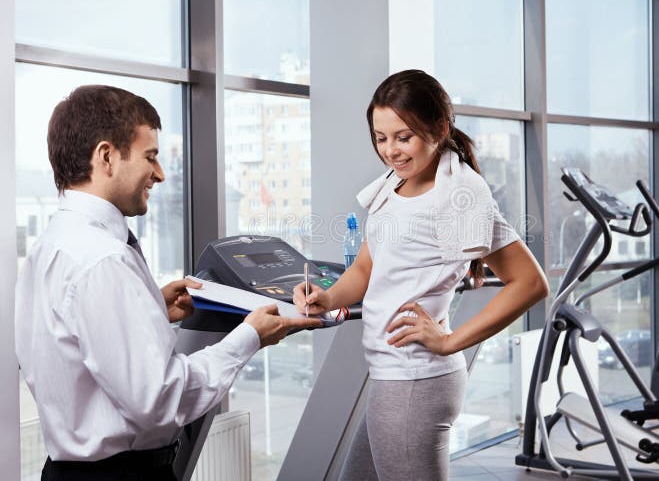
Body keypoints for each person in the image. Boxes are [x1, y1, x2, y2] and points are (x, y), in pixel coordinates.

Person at [15, 85, 320, 481]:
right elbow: (158, 400)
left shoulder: (52, 246)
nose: (158, 174)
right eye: (151, 157)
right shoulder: (103, 260)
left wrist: (151, 307)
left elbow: (70, 338)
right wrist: (249, 337)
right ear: (106, 156)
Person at [293, 70, 549, 480]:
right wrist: (326, 297)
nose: (391, 150)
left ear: (439, 127)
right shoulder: (394, 185)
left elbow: (530, 283)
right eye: (381, 138)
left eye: (403, 136)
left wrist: (449, 342)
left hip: (414, 381)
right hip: (392, 377)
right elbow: (365, 267)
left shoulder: (459, 194)